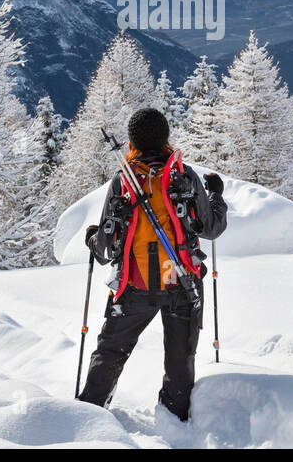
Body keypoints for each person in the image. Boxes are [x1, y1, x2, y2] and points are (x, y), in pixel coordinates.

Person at [77, 107, 227, 421]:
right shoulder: (183, 177)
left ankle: (87, 417)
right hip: (181, 284)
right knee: (179, 359)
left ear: (133, 141)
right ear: (165, 138)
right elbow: (211, 229)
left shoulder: (124, 181)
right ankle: (173, 423)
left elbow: (104, 250)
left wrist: (91, 237)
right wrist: (216, 196)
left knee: (110, 352)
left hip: (135, 285)